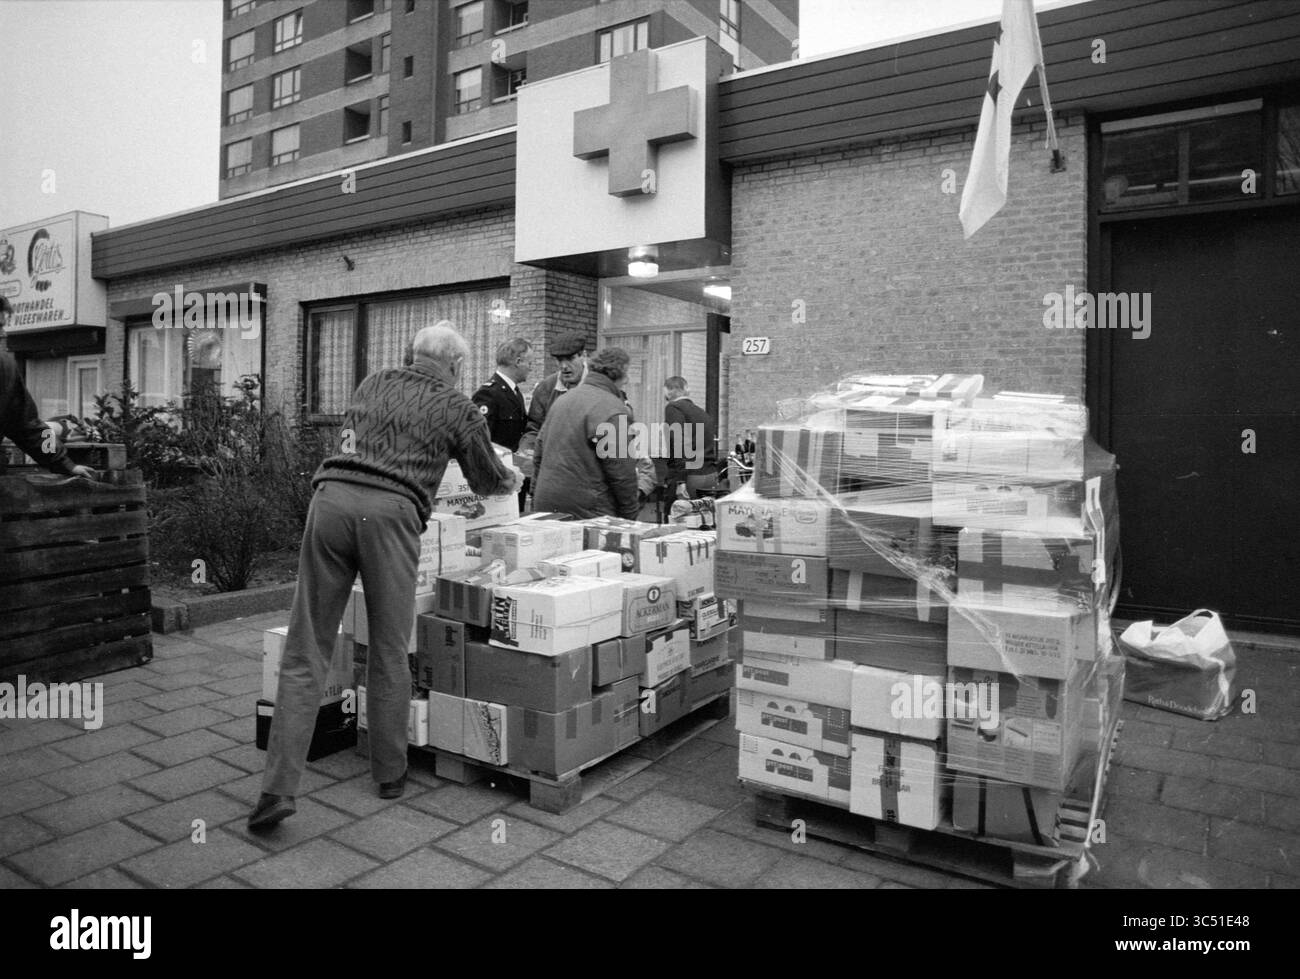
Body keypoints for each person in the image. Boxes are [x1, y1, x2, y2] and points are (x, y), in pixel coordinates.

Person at [249, 321, 517, 831]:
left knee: (307, 650)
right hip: (390, 516)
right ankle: (389, 772)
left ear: (412, 354)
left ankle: (276, 790)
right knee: (390, 647)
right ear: (456, 366)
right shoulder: (458, 406)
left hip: (329, 502)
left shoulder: (373, 382)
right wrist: (513, 475)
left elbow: (362, 441)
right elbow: (487, 481)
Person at [532, 347, 639, 520]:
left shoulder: (562, 401)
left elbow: (539, 452)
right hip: (589, 509)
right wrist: (630, 515)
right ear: (621, 374)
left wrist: (535, 495)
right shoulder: (613, 409)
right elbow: (621, 472)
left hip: (546, 503)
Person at [0, 297, 95, 480]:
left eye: (2, 326)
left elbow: (28, 427)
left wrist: (66, 464)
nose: (3, 333)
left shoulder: (5, 368)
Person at [472, 338, 532, 510]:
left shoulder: (515, 393)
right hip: (499, 480)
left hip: (515, 477)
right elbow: (480, 441)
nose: (531, 367)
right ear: (518, 362)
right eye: (530, 362)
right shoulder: (488, 394)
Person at [516, 329, 588, 462]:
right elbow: (534, 428)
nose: (564, 366)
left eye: (570, 359)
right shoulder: (545, 388)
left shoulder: (600, 386)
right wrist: (527, 451)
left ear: (583, 355)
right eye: (559, 360)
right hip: (555, 469)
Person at [662, 376, 720, 500]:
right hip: (710, 475)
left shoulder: (673, 408)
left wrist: (680, 481)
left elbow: (678, 443)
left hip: (690, 477)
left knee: (678, 516)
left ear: (668, 391)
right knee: (704, 517)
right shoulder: (702, 413)